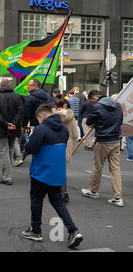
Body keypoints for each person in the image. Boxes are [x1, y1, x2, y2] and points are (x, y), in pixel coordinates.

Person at [20, 104, 83, 249]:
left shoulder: (41, 129)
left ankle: (36, 231)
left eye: (38, 119)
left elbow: (30, 149)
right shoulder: (63, 128)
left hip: (41, 171)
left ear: (41, 116)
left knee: (36, 200)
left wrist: (30, 138)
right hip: (57, 172)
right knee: (57, 202)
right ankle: (73, 230)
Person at [81, 94, 124, 207]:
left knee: (98, 166)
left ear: (96, 99)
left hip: (103, 140)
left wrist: (98, 124)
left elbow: (89, 122)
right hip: (115, 140)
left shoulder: (98, 107)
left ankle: (94, 191)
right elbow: (120, 121)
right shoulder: (118, 106)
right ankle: (118, 197)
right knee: (115, 168)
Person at [0, 79, 24, 185]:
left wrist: (6, 123)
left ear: (1, 86)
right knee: (9, 151)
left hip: (2, 127)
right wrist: (13, 123)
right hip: (14, 127)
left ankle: (7, 177)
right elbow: (20, 111)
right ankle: (7, 175)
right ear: (10, 86)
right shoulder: (17, 96)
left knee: (4, 152)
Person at [53, 97, 80, 203]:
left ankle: (55, 190)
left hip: (54, 140)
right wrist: (76, 136)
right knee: (62, 167)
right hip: (66, 140)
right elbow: (73, 128)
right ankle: (64, 192)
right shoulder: (70, 114)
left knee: (55, 166)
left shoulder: (52, 113)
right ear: (65, 105)